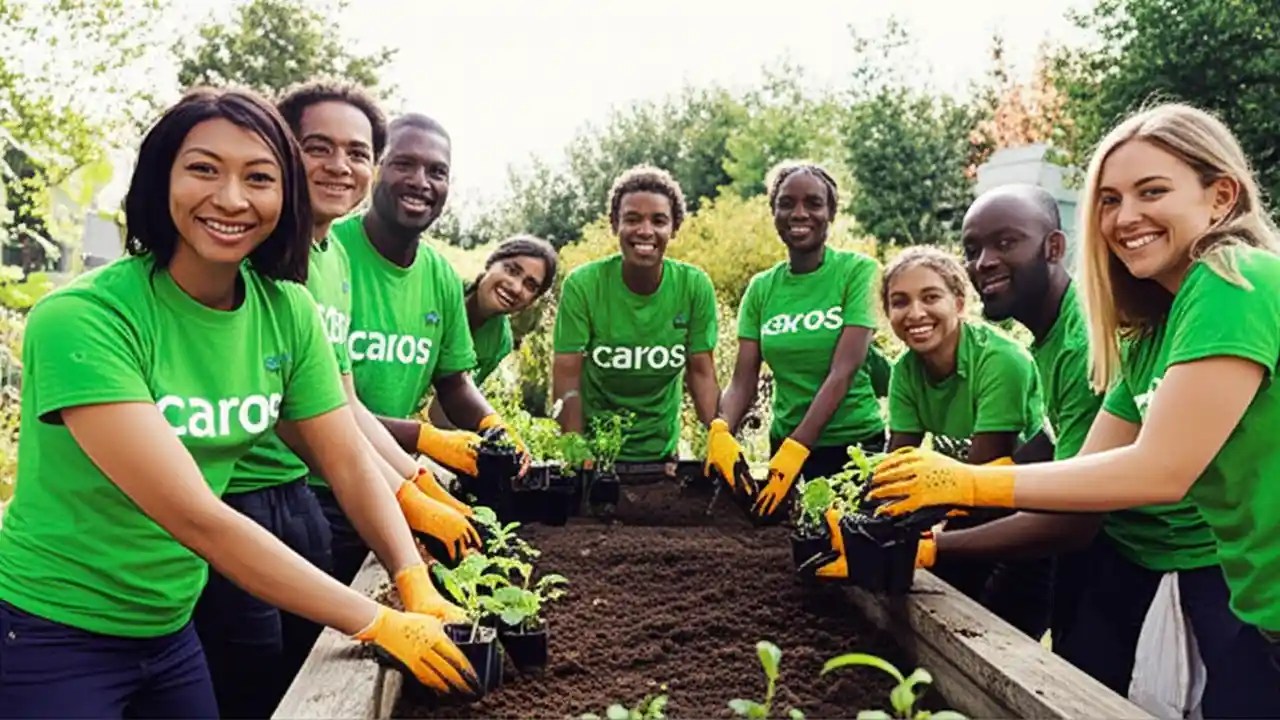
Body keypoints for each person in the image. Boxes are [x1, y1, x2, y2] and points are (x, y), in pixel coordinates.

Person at [0, 88, 477, 719]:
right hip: (52, 629)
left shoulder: (286, 312)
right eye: (203, 169)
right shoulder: (85, 319)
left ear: (286, 197)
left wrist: (411, 574)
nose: (230, 199)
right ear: (160, 178)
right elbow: (199, 517)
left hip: (169, 630)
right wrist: (376, 621)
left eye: (259, 178)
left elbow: (346, 461)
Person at [870, 103, 1280, 715]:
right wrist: (943, 507)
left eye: (1153, 191)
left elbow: (1160, 471)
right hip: (1260, 601)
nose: (1125, 217)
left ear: (1220, 196)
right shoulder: (1150, 331)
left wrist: (970, 483)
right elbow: (1091, 472)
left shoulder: (1233, 278)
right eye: (1110, 200)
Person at [191, 80, 479, 719]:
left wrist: (414, 485)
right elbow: (311, 422)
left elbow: (338, 404)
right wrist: (413, 483)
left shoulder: (330, 263)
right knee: (252, 678)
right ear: (281, 151)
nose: (338, 166)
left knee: (306, 669)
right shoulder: (256, 258)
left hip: (300, 495)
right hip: (230, 491)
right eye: (316, 147)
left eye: (356, 152)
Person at [940, 183, 1223, 700]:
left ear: (1053, 247)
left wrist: (932, 547)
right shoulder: (1050, 331)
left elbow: (1072, 520)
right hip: (1125, 541)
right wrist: (951, 495)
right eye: (973, 248)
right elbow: (1056, 439)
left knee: (1094, 692)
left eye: (1006, 242)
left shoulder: (1082, 342)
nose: (984, 262)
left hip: (1175, 555)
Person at [314, 112, 527, 586]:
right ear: (376, 168)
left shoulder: (441, 277)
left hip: (387, 479)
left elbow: (453, 382)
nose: (420, 182)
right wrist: (428, 441)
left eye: (437, 171)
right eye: (403, 164)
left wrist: (493, 427)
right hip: (317, 484)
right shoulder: (327, 251)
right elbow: (319, 406)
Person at [877, 245, 1052, 638]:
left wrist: (920, 538)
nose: (915, 313)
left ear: (959, 302)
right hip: (963, 516)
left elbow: (982, 475)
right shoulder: (905, 371)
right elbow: (898, 461)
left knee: (1004, 637)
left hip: (1027, 522)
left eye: (931, 297)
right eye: (899, 302)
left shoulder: (1000, 361)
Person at [713, 161, 884, 521]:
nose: (799, 213)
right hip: (786, 445)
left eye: (813, 203)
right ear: (774, 212)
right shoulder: (762, 288)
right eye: (787, 203)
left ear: (831, 212)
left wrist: (799, 448)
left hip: (852, 447)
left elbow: (844, 370)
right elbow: (743, 380)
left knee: (846, 548)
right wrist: (721, 428)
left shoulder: (858, 272)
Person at [552, 165, 721, 469]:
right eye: (632, 219)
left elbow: (701, 373)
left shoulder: (694, 286)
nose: (645, 231)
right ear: (615, 224)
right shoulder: (584, 286)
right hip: (596, 457)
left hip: (662, 458)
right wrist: (574, 446)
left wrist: (719, 437)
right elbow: (567, 373)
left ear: (674, 227)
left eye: (659, 221)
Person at [427, 235, 559, 429]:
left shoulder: (500, 341)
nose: (516, 287)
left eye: (530, 286)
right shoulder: (442, 292)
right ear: (490, 264)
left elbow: (444, 408)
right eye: (512, 270)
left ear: (533, 300)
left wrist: (486, 441)